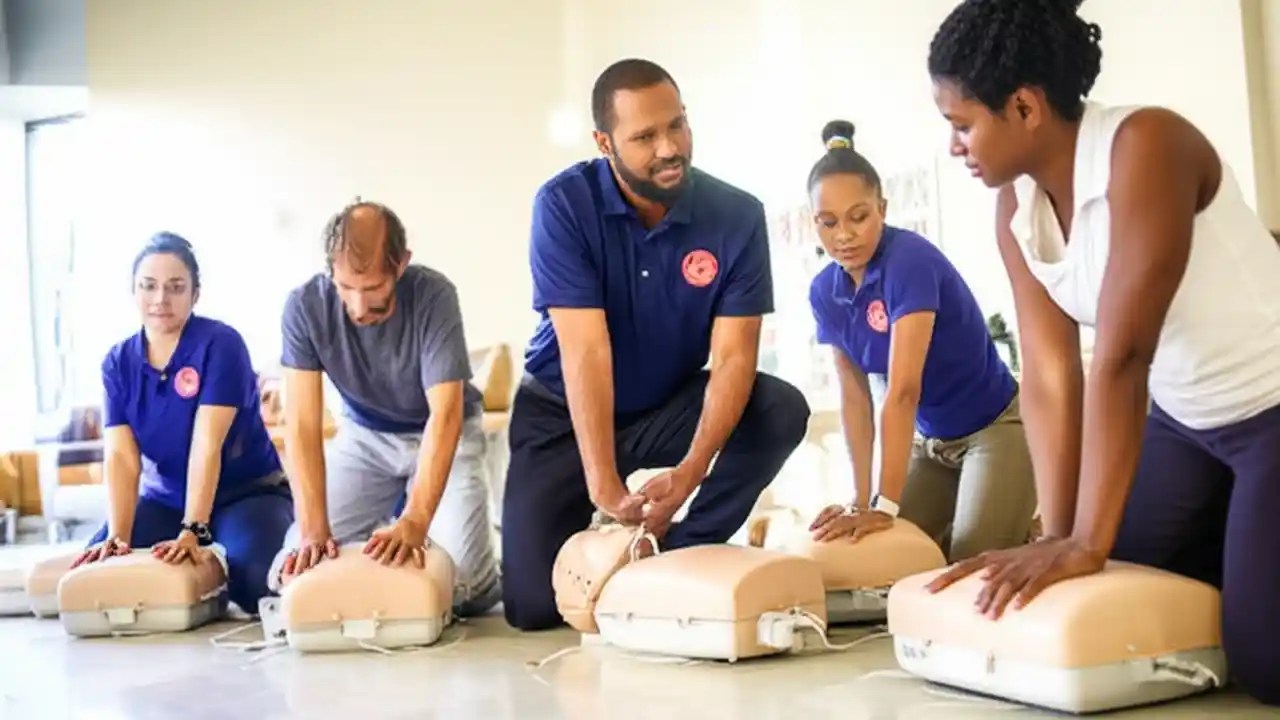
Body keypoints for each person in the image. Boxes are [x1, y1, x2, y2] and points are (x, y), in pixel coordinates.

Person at [924, 0, 1280, 705]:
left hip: (1271, 409)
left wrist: (1088, 538)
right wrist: (1059, 535)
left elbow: (1121, 355)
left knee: (1267, 665)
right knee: (1107, 589)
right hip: (1185, 425)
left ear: (1024, 107)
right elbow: (1052, 375)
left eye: (962, 125)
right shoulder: (1014, 208)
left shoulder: (1148, 145)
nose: (955, 147)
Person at [501, 58, 811, 631]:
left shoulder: (737, 216)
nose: (669, 148)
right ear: (604, 143)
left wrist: (692, 471)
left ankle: (673, 554)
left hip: (668, 403)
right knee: (533, 609)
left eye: (678, 125)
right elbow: (587, 352)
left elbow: (736, 357)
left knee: (779, 408)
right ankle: (600, 538)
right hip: (561, 413)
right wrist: (605, 488)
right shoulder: (563, 206)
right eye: (645, 137)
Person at [804, 120, 1036, 561]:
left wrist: (885, 504)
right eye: (828, 222)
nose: (844, 235)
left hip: (995, 430)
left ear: (882, 208)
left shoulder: (908, 260)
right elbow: (855, 398)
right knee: (881, 557)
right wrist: (861, 498)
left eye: (858, 216)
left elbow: (903, 388)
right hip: (929, 448)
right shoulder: (824, 291)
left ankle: (1023, 528)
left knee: (967, 563)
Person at [266, 200, 501, 618]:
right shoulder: (302, 307)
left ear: (401, 265)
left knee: (464, 586)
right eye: (345, 288)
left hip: (445, 431)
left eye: (373, 289)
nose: (358, 307)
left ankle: (462, 552)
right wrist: (314, 528)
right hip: (365, 437)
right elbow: (303, 426)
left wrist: (415, 520)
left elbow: (445, 415)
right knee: (297, 567)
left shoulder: (434, 295)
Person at [72, 233, 293, 615]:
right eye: (149, 286)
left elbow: (206, 444)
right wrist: (118, 535)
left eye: (175, 287)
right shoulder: (117, 362)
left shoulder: (221, 344)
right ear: (133, 291)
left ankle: (216, 572)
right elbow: (123, 457)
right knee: (102, 571)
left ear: (195, 293)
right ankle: (197, 576)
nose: (161, 299)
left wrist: (194, 530)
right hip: (165, 499)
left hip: (246, 493)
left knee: (259, 582)